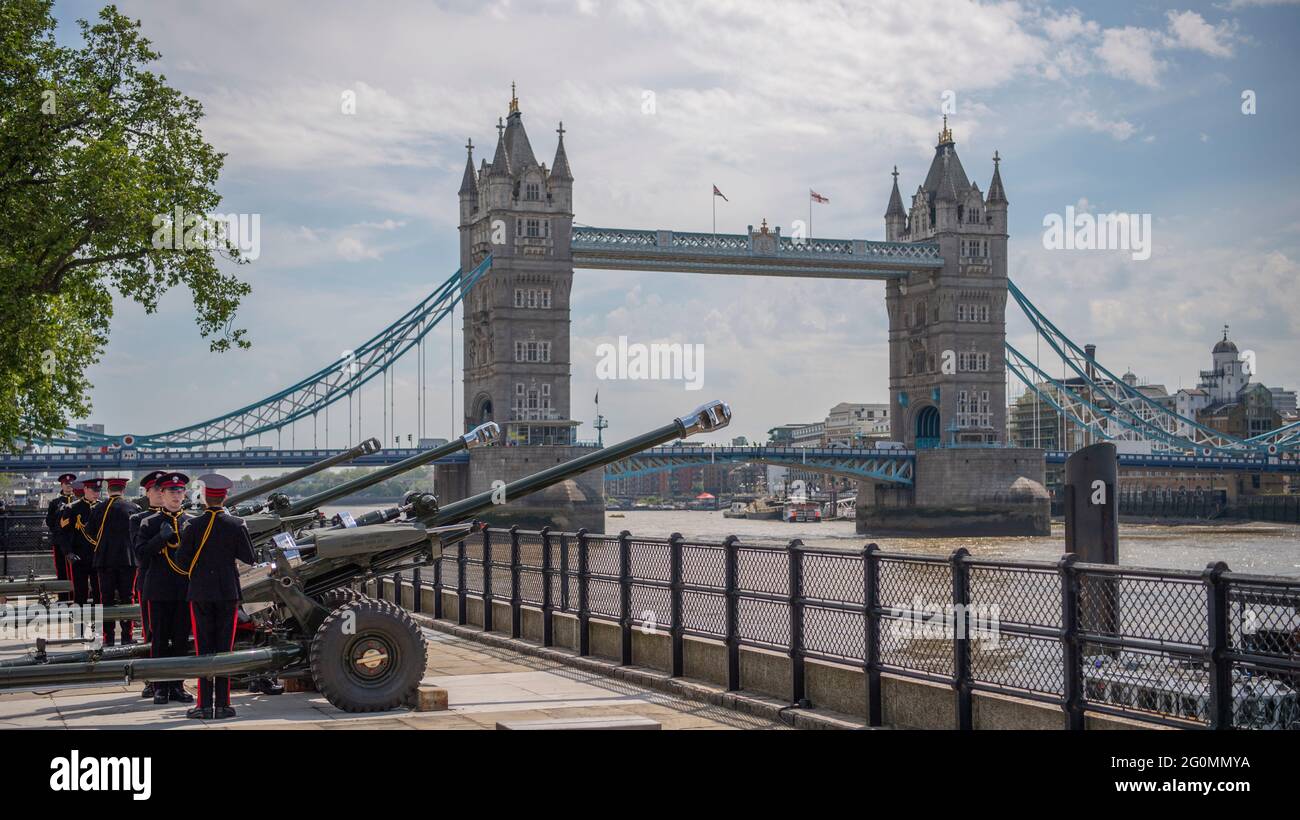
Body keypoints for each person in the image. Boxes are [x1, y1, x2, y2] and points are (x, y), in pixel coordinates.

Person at [174, 473, 254, 720]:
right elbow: (249, 557)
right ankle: (223, 704)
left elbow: (181, 561)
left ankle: (204, 705)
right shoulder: (237, 524)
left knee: (204, 649)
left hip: (200, 591)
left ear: (205, 497)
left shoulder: (193, 525)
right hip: (228, 592)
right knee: (224, 649)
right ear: (225, 496)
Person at [133, 472, 197, 705]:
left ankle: (178, 686)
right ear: (162, 494)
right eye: (172, 492)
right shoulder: (149, 523)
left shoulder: (191, 521)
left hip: (183, 588)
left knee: (180, 639)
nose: (176, 496)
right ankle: (160, 686)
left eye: (180, 492)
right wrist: (160, 539)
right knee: (159, 640)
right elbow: (140, 556)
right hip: (159, 588)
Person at [85, 477, 140, 645]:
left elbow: (88, 532)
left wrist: (101, 545)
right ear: (123, 490)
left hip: (104, 559)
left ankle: (108, 638)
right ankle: (127, 637)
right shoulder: (133, 508)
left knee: (106, 599)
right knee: (127, 598)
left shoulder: (99, 508)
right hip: (127, 559)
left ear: (108, 490)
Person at [129, 470, 168, 699]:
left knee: (176, 634)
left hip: (175, 582)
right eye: (157, 489)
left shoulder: (178, 516)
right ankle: (152, 679)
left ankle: (173, 681)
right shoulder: (138, 519)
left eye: (165, 490)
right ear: (148, 492)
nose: (161, 494)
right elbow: (141, 554)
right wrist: (160, 538)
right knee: (152, 634)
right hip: (150, 580)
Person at [59, 477, 100, 605]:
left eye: (98, 490)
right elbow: (63, 533)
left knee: (99, 593)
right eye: (93, 490)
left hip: (98, 557)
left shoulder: (102, 507)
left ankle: (98, 624)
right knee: (80, 593)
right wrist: (68, 552)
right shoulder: (72, 508)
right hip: (79, 557)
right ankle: (80, 624)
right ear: (85, 489)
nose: (96, 493)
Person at [44, 474, 77, 602]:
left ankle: (77, 597)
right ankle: (63, 598)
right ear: (62, 485)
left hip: (76, 542)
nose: (69, 486)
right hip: (59, 543)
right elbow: (49, 521)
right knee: (62, 570)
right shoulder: (55, 503)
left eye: (71, 484)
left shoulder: (78, 500)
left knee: (77, 570)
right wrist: (59, 531)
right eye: (66, 484)